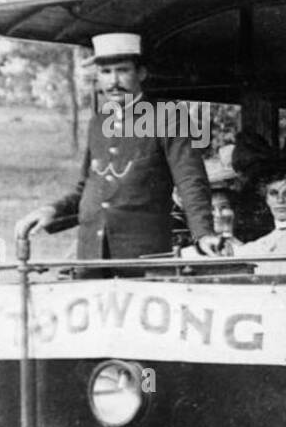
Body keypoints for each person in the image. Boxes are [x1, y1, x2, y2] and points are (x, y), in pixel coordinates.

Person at [13, 32, 221, 263]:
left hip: (143, 256)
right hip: (91, 255)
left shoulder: (169, 116)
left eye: (122, 70)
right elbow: (86, 189)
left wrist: (203, 234)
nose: (113, 81)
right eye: (105, 72)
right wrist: (52, 211)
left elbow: (190, 180)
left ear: (141, 73)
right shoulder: (99, 123)